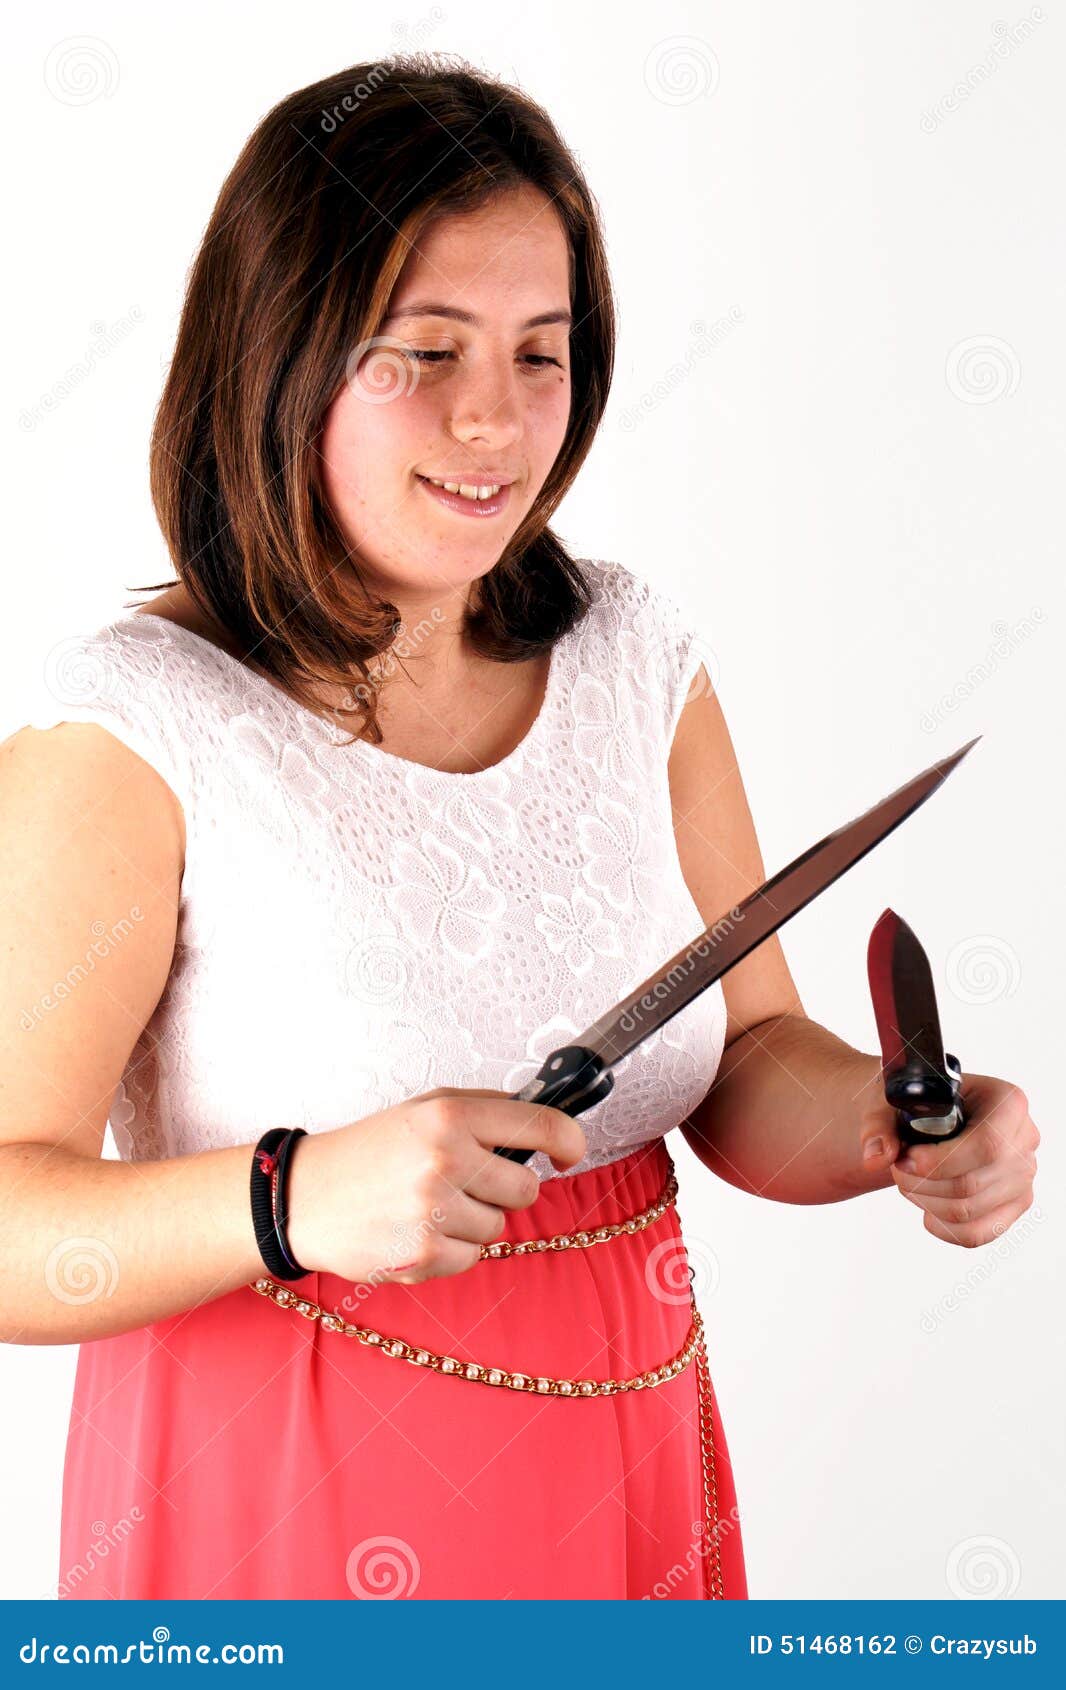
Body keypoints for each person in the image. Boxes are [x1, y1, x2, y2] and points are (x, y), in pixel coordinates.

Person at [0, 54, 1038, 1603]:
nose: (494, 418)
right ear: (279, 357)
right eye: (423, 352)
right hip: (280, 1492)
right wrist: (291, 1196)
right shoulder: (132, 728)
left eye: (542, 352)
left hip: (624, 1451)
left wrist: (898, 1128)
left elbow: (749, 1056)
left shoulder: (633, 656)